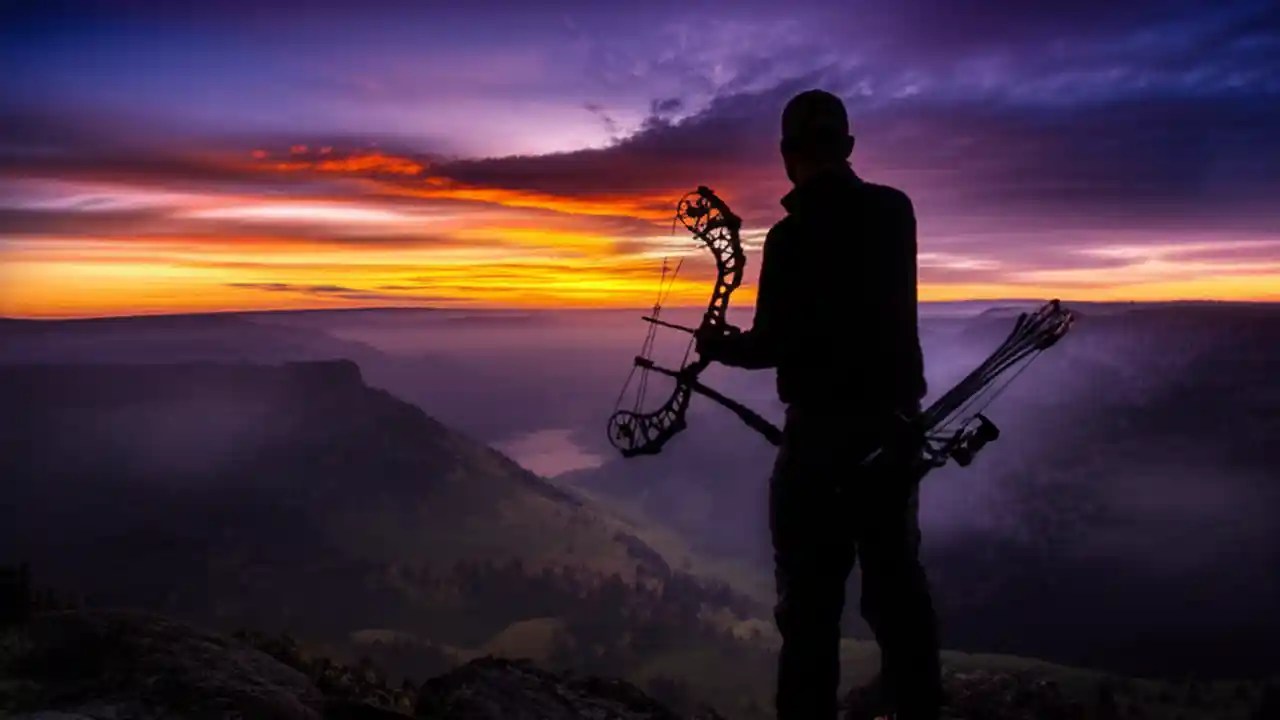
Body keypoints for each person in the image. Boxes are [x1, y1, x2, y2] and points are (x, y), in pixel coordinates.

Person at [696, 89, 942, 719]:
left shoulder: (790, 236)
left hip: (819, 447)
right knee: (896, 593)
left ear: (786, 155)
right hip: (893, 433)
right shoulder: (896, 213)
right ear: (849, 147)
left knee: (809, 613)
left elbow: (776, 344)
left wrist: (721, 348)